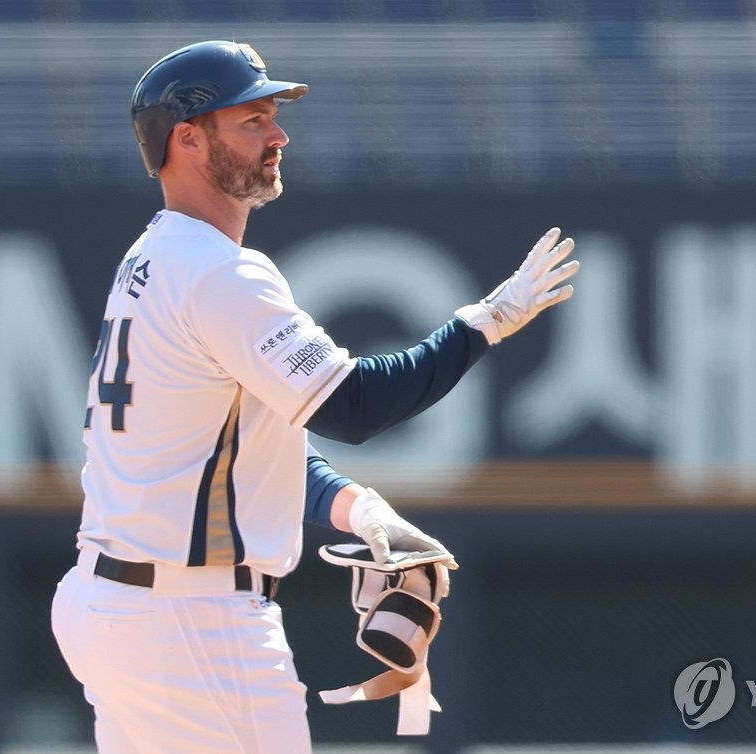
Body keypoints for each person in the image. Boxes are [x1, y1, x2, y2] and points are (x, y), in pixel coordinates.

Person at [50, 39, 578, 754]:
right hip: (191, 619)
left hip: (127, 606)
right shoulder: (217, 272)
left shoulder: (154, 257)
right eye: (252, 120)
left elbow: (235, 455)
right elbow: (353, 406)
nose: (279, 136)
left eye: (273, 117)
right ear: (187, 139)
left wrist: (362, 510)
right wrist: (484, 322)